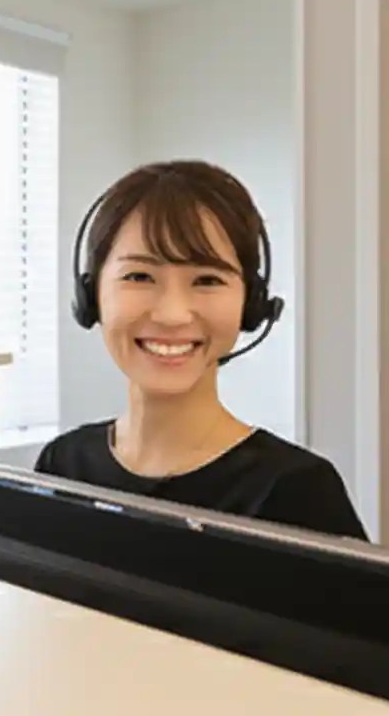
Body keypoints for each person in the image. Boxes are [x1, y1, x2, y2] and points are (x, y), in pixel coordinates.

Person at [34, 160, 368, 540]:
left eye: (207, 280)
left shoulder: (298, 491)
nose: (172, 314)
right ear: (91, 295)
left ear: (251, 303)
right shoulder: (63, 465)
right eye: (139, 276)